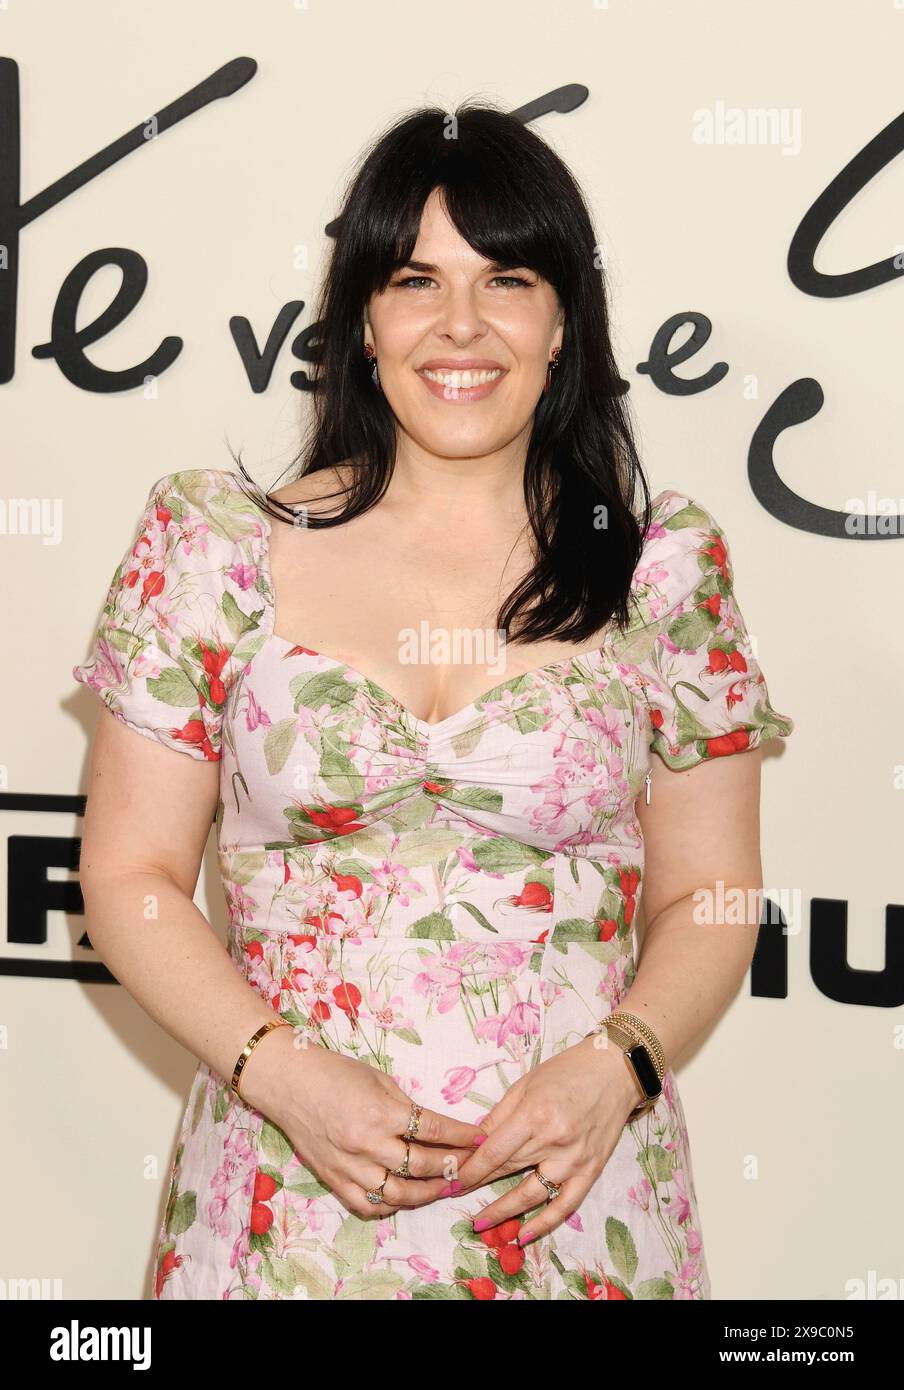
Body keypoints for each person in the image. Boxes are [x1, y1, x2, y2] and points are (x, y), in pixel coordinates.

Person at [72, 101, 794, 1301]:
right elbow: (128, 875)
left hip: (570, 1201)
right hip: (279, 1201)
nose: (460, 326)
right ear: (363, 318)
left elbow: (709, 896)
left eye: (506, 279)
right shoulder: (216, 544)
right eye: (415, 280)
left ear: (564, 320)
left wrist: (618, 1065)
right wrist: (284, 1075)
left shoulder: (659, 567)